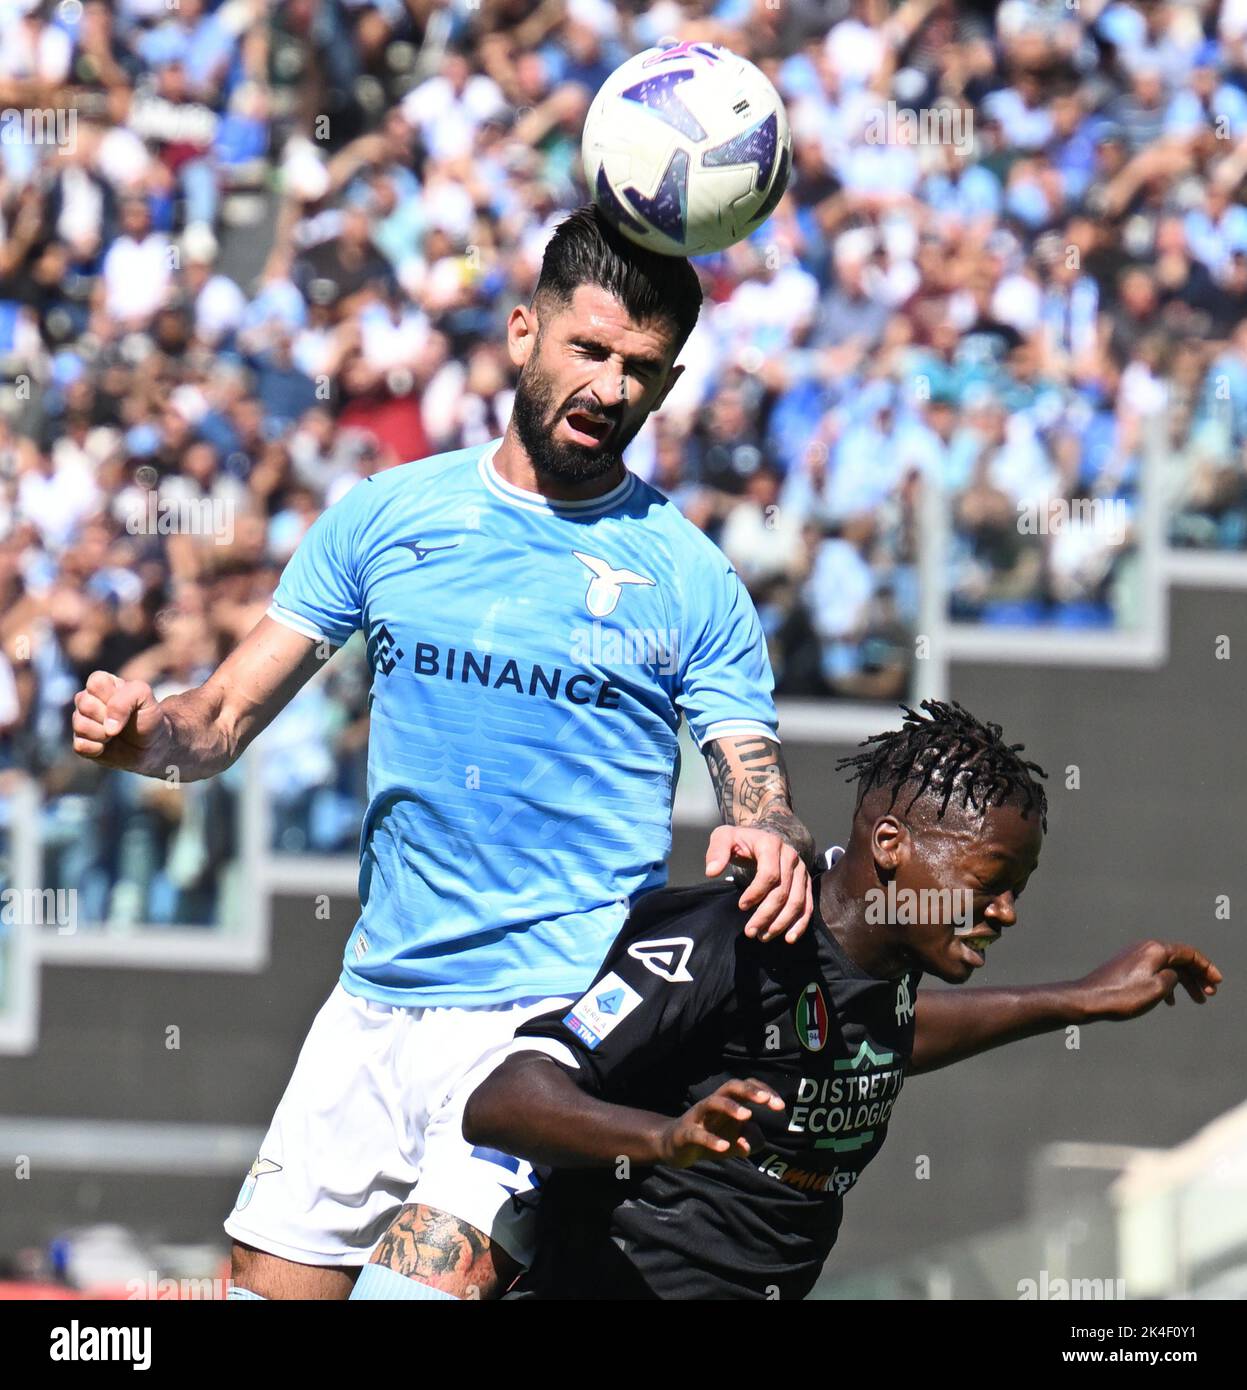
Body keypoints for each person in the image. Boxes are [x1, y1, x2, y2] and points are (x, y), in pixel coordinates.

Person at [70, 206, 817, 1301]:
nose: (610, 388)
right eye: (590, 350)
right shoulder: (385, 514)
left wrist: (773, 833)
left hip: (541, 1026)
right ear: (523, 332)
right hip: (372, 1006)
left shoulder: (689, 577)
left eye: (641, 369)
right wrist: (148, 736)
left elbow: (757, 787)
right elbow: (220, 720)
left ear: (668, 384)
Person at [464, 700, 1223, 1300]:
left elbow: (883, 1035)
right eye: (988, 883)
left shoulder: (886, 959)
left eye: (1016, 892)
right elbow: (502, 1099)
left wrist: (1077, 1000)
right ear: (890, 845)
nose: (1005, 913)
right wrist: (664, 1139)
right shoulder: (732, 934)